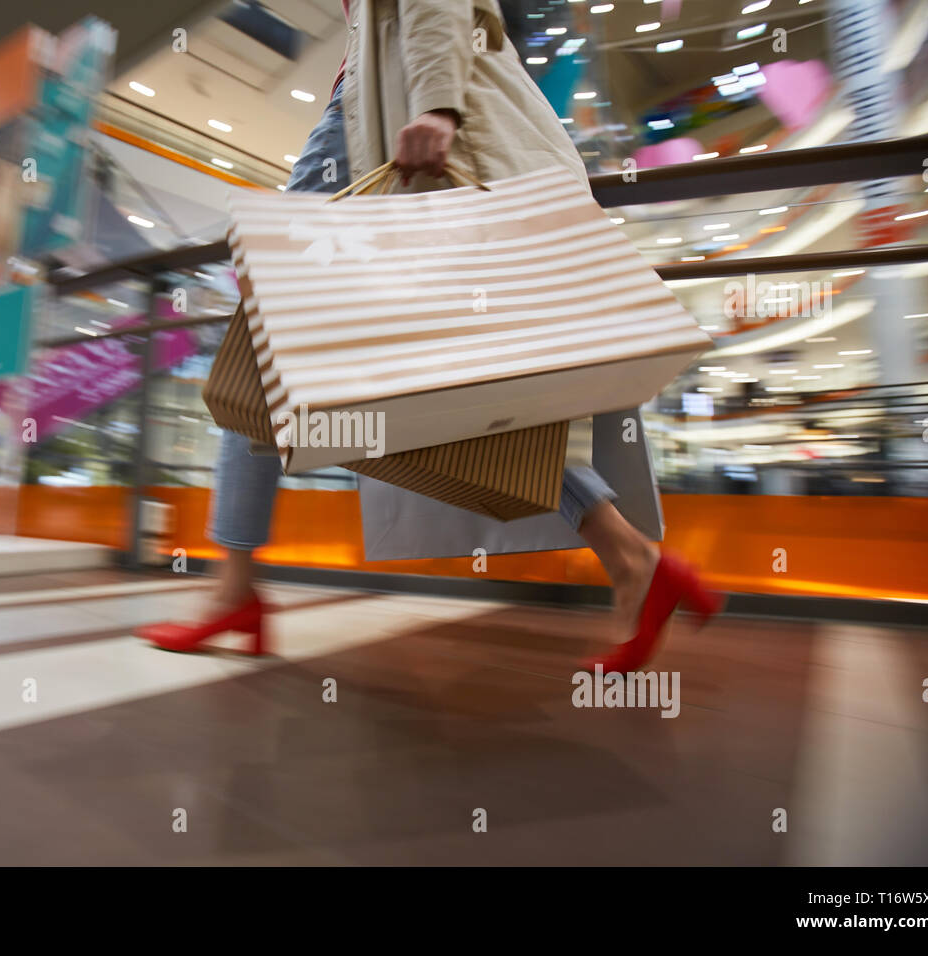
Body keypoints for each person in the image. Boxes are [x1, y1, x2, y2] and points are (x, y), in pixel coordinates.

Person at [138, 0, 719, 672]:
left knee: (266, 362)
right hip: (384, 127)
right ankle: (633, 561)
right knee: (441, 390)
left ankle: (233, 593)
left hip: (391, 134)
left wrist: (438, 108)